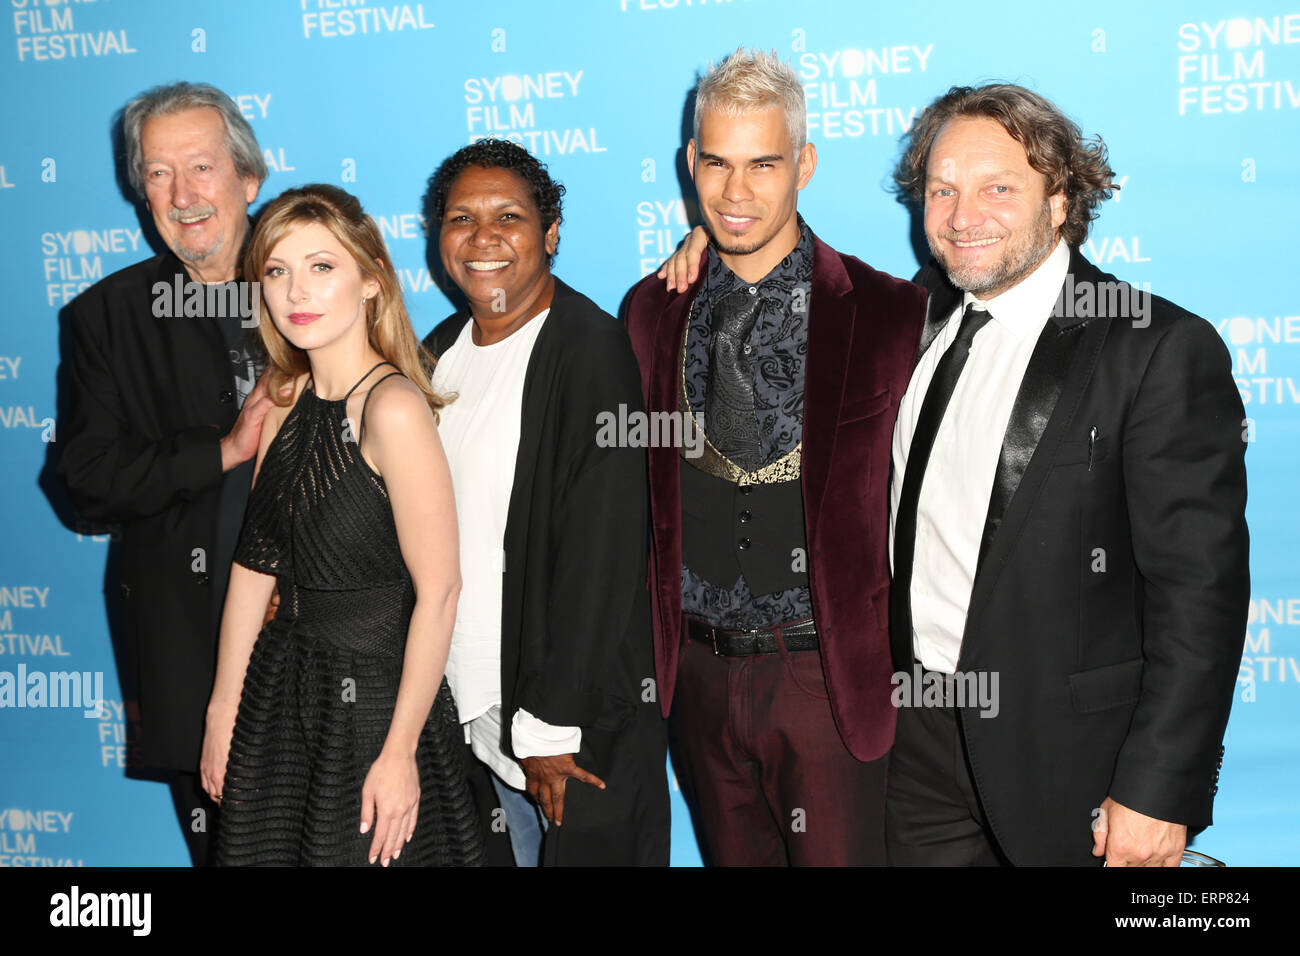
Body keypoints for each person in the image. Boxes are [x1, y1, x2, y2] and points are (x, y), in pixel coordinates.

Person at [886, 83, 1249, 866]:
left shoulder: (1155, 348)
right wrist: (716, 244)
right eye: (942, 189)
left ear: (1060, 200)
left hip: (1075, 760)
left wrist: (1159, 788)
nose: (960, 215)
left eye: (998, 188)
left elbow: (1200, 599)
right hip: (914, 746)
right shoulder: (904, 319)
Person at [625, 48, 926, 865]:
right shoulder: (652, 310)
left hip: (827, 678)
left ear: (805, 165)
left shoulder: (894, 313)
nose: (735, 191)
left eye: (763, 163)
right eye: (716, 162)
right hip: (696, 680)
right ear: (690, 164)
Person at [199, 184, 485, 867]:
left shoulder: (393, 409)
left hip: (375, 706)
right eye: (276, 270)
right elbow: (252, 567)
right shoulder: (282, 401)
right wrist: (222, 710)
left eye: (322, 266)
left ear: (369, 282)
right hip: (280, 697)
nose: (297, 288)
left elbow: (440, 591)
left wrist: (399, 751)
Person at [424, 138, 669, 866]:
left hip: (566, 723)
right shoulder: (437, 351)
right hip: (471, 706)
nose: (484, 238)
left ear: (551, 231)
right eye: (461, 218)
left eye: (509, 216)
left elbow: (602, 550)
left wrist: (551, 728)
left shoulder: (589, 350)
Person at [58, 82, 276, 865]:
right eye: (157, 173)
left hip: (339, 651)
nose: (182, 195)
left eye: (201, 168)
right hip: (196, 651)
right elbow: (84, 479)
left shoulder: (324, 280)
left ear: (249, 179)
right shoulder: (107, 318)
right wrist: (220, 451)